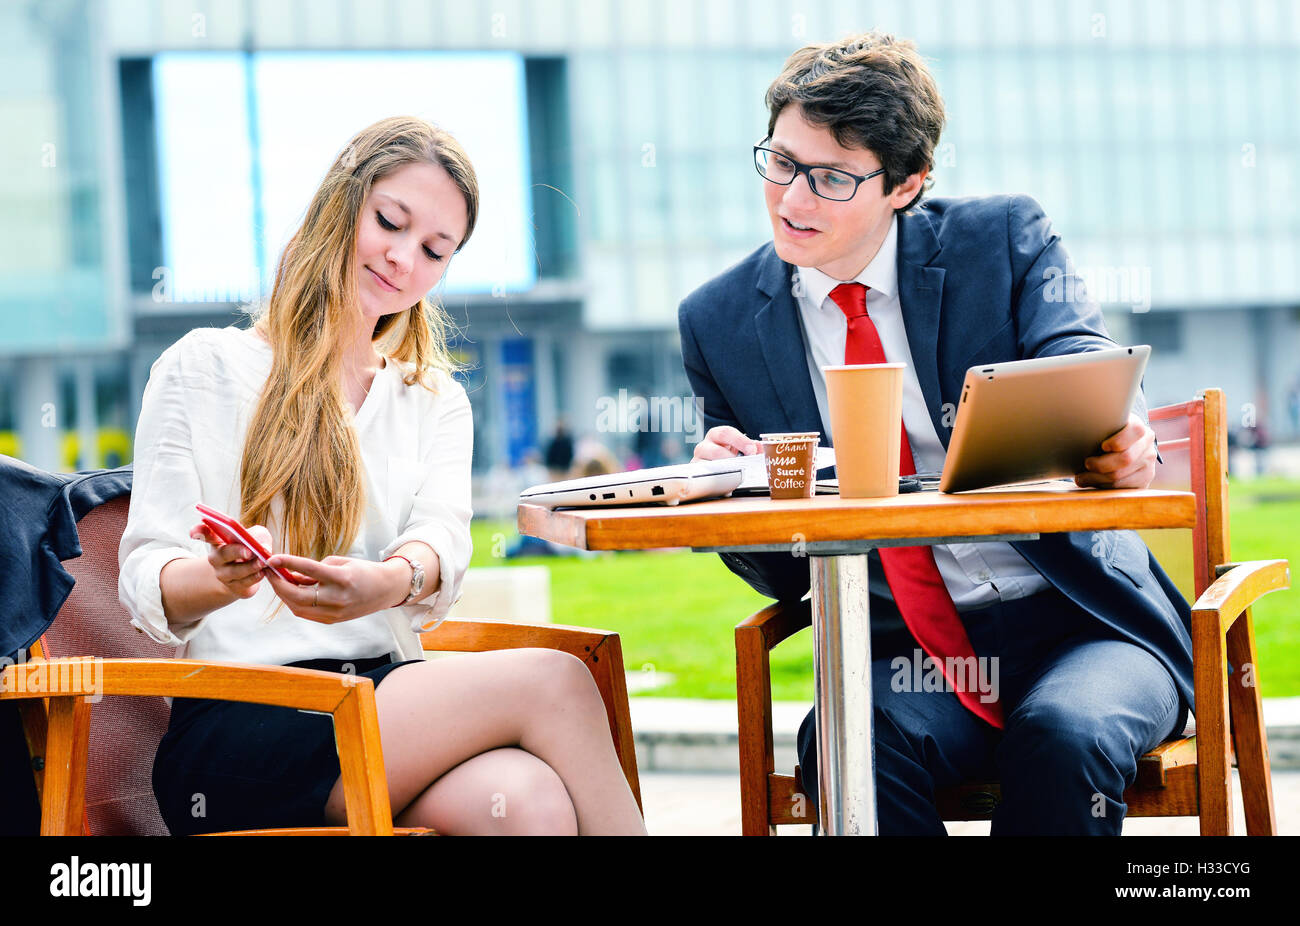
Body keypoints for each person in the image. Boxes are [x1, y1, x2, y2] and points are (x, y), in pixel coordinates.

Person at [678, 34, 1194, 835]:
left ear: (908, 183)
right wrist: (729, 490)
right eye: (780, 162)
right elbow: (784, 580)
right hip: (905, 650)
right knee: (848, 745)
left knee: (1061, 737)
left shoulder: (1002, 241)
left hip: (1081, 624)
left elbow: (1079, 358)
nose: (792, 199)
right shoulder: (717, 323)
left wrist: (1120, 431)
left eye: (831, 177)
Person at [119, 116, 645, 836]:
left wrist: (390, 582)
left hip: (383, 697)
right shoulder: (203, 367)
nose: (403, 259)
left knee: (529, 803)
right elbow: (148, 580)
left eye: (435, 250)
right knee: (555, 680)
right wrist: (225, 578)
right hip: (245, 718)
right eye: (390, 222)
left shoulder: (432, 397)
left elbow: (441, 541)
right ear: (343, 202)